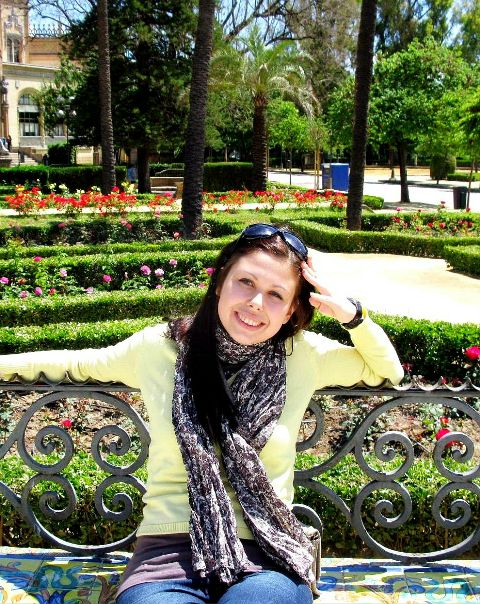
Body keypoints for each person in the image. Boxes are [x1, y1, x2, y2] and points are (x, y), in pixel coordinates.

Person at [0, 224, 403, 604]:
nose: (255, 303)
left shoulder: (304, 354)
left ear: (291, 311)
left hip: (268, 553)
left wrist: (352, 314)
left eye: (276, 295)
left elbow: (386, 370)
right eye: (246, 282)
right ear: (220, 283)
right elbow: (75, 363)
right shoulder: (158, 348)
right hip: (166, 557)